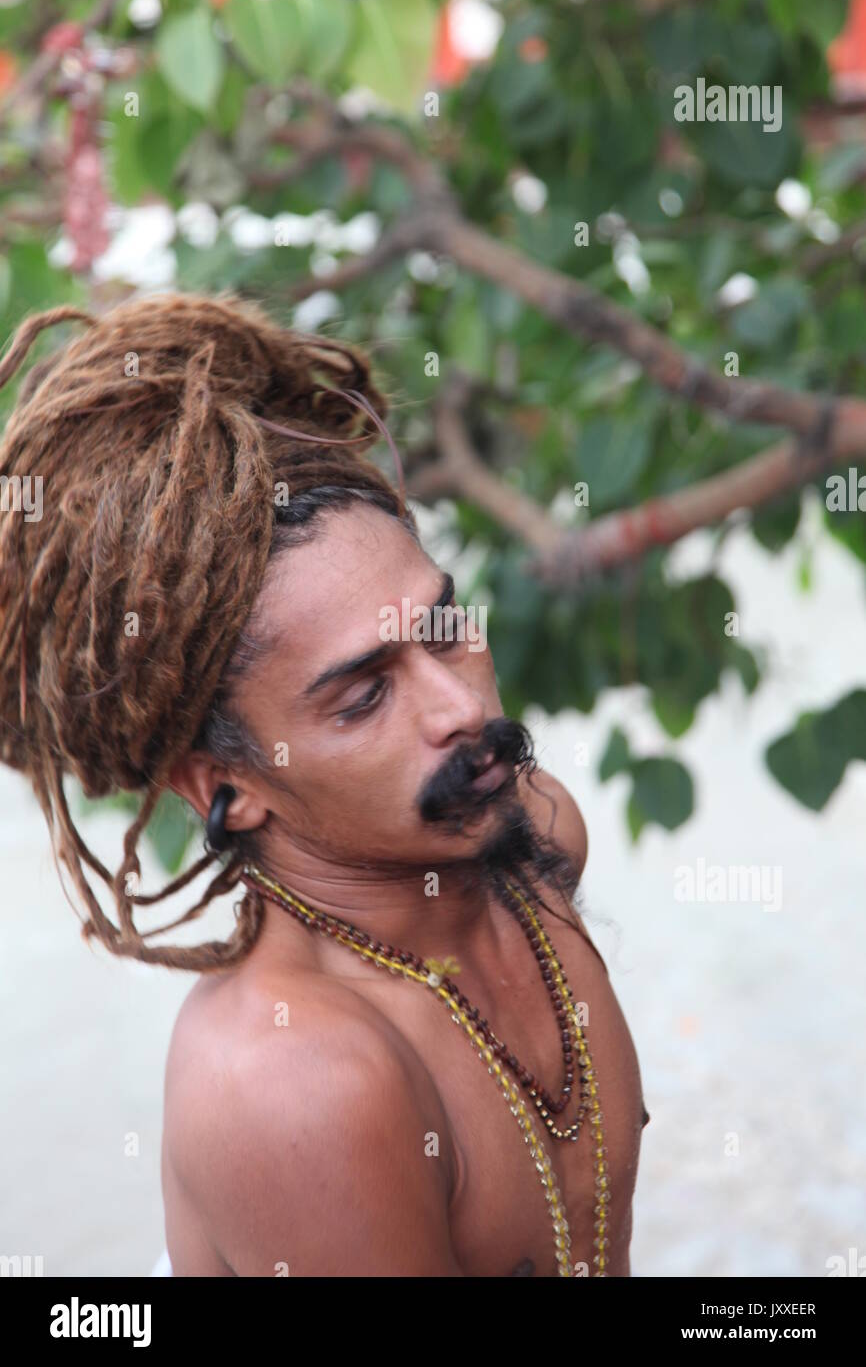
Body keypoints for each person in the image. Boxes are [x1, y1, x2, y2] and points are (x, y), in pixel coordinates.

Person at [0, 291, 649, 1277]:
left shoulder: (536, 837)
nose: (458, 708)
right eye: (363, 696)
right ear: (225, 786)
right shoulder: (295, 1082)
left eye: (444, 629)